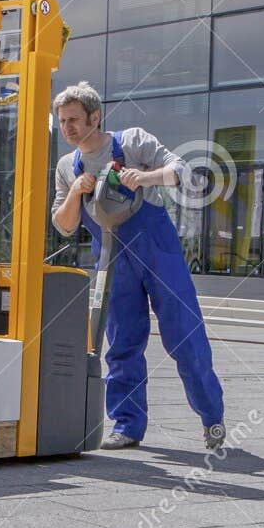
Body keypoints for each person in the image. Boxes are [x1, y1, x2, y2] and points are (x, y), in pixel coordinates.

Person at [50, 81, 226, 452]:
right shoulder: (68, 167)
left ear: (95, 117)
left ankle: (212, 418)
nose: (67, 128)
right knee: (121, 342)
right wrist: (79, 192)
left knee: (184, 334)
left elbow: (180, 169)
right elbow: (64, 225)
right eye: (62, 121)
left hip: (157, 250)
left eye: (74, 120)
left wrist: (143, 177)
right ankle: (127, 425)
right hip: (112, 259)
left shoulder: (131, 142)